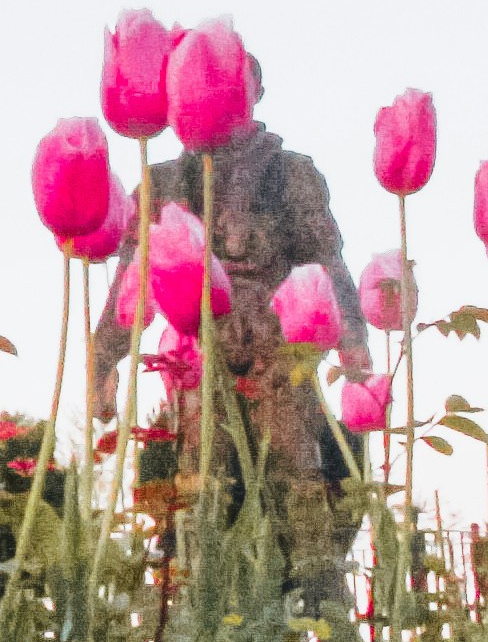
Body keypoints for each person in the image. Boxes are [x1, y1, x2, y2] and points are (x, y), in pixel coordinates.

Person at [85, 65, 377, 600]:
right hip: (198, 357)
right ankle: (196, 619)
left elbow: (327, 260)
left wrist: (353, 341)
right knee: (201, 487)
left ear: (255, 93)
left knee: (299, 483)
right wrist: (104, 358)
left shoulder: (292, 174)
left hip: (281, 353)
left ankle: (325, 624)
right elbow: (134, 279)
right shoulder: (165, 181)